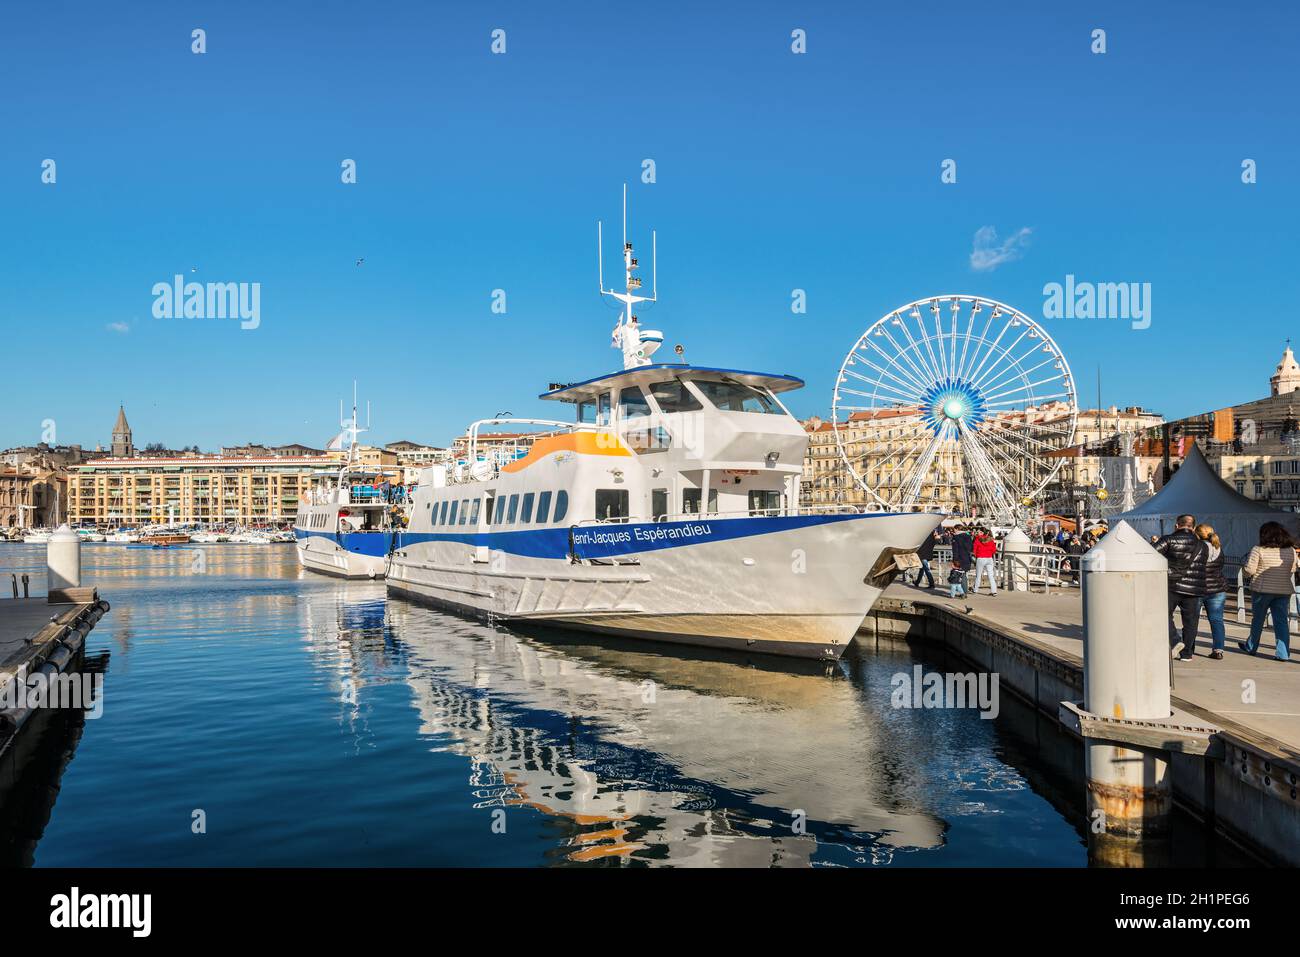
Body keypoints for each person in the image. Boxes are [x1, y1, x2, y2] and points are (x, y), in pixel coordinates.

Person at [1238, 521, 1296, 662]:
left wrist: (1244, 570)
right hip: (1283, 590)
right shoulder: (1291, 550)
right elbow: (1293, 569)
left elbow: (1250, 570)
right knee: (1281, 621)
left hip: (1262, 589)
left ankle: (1251, 647)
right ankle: (1283, 653)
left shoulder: (1259, 549)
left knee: (1258, 619)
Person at [1154, 514, 1208, 661]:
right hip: (1195, 588)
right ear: (1194, 527)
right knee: (1191, 621)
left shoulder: (1169, 540)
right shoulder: (1203, 545)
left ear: (1177, 525)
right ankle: (1187, 654)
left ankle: (1175, 641)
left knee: (1163, 615)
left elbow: (1151, 554)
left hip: (1171, 585)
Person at [1195, 523, 1228, 660]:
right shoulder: (1218, 548)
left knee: (1192, 620)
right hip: (1217, 588)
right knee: (1217, 620)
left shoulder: (1197, 548)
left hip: (1198, 587)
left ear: (1197, 534)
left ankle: (1188, 648)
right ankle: (1218, 649)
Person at [972, 527, 999, 596]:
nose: (977, 533)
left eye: (979, 532)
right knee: (991, 576)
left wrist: (976, 556)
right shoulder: (991, 540)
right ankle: (994, 591)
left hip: (980, 558)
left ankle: (975, 590)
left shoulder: (977, 540)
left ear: (982, 533)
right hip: (989, 558)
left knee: (978, 575)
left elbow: (974, 550)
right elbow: (994, 550)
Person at [949, 524, 973, 598]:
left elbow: (955, 550)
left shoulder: (956, 537)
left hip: (959, 558)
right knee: (963, 575)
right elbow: (971, 547)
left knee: (957, 575)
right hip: (967, 558)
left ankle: (962, 592)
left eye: (954, 529)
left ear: (957, 529)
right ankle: (964, 592)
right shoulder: (968, 536)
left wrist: (954, 560)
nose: (953, 531)